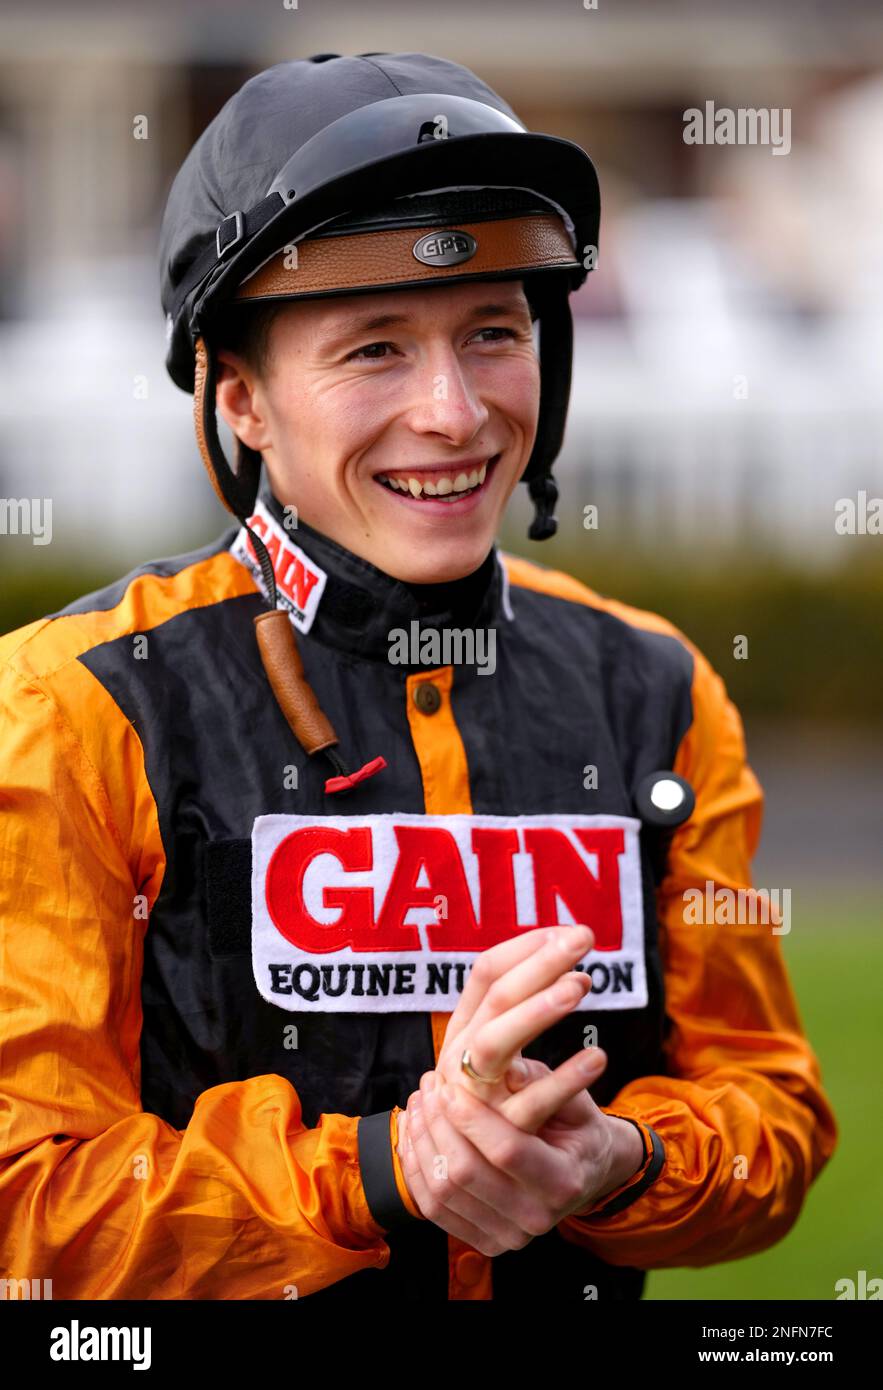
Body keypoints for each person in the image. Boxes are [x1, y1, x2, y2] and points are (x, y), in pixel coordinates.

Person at [0, 51, 837, 1303]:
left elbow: (772, 1117)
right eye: (375, 350)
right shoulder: (65, 705)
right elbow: (28, 1202)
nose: (451, 413)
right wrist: (392, 1165)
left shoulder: (655, 688)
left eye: (490, 334)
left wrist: (623, 1159)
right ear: (243, 399)